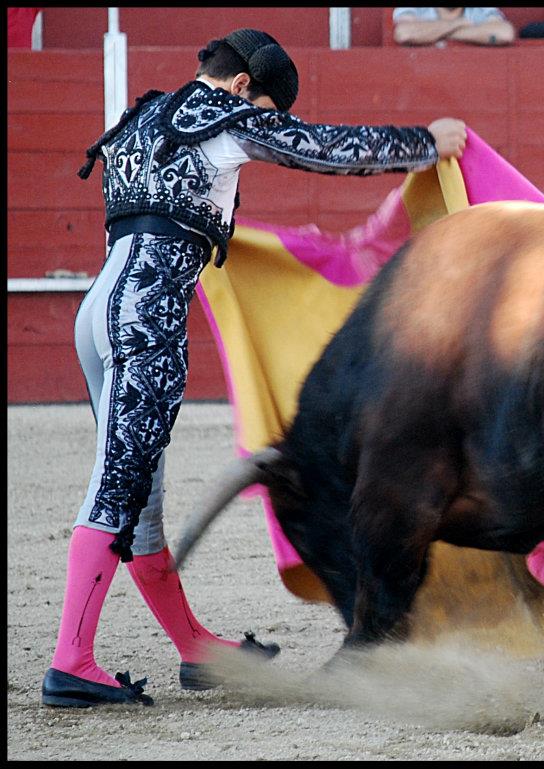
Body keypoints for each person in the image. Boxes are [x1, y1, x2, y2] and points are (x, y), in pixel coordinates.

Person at [42, 27, 467, 709]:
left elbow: (172, 212)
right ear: (243, 87)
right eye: (267, 110)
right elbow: (322, 148)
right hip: (144, 317)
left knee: (136, 493)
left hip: (102, 309)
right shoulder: (221, 114)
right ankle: (71, 662)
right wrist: (425, 140)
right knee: (119, 487)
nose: (267, 124)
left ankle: (194, 650)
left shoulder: (144, 115)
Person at [393, 7, 515, 46]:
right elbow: (404, 33)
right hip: (423, 82)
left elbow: (505, 34)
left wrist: (433, 33)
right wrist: (458, 24)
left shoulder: (480, 9)